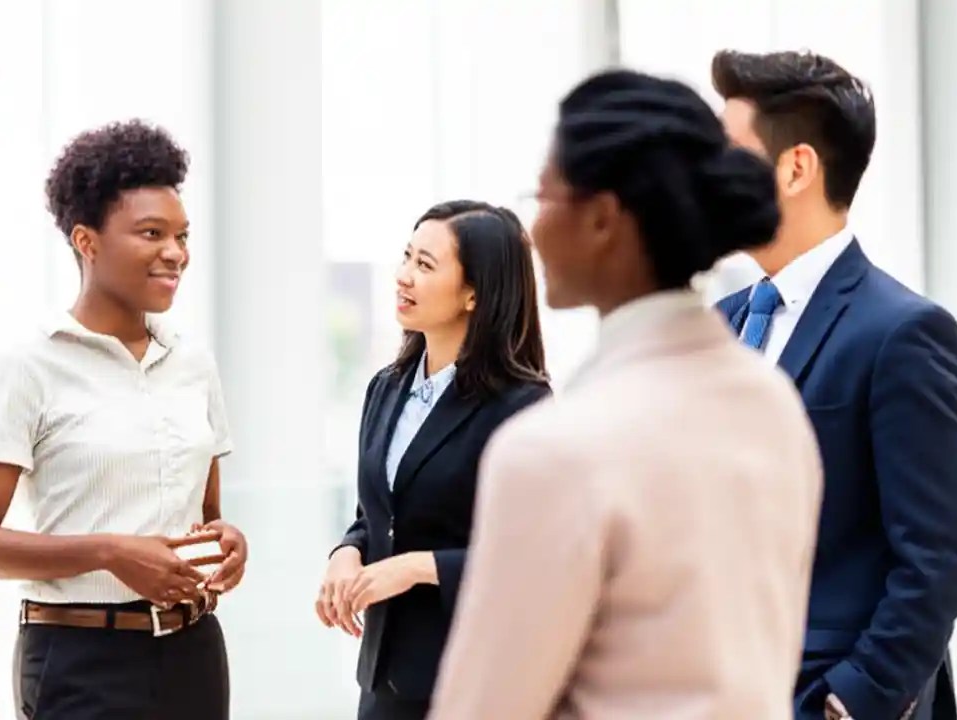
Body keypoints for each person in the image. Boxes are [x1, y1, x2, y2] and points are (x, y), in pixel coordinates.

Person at [429, 69, 824, 719]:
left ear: (603, 218)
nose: (535, 226)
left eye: (545, 194)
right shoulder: (773, 404)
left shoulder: (554, 451)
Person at [713, 50, 957, 720]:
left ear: (796, 166)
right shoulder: (720, 326)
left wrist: (852, 699)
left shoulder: (904, 333)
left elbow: (941, 555)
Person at [0, 120, 244, 720]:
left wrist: (228, 542)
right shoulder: (26, 365)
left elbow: (206, 518)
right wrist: (107, 552)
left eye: (181, 235)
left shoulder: (192, 361)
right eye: (151, 233)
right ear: (86, 241)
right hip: (80, 659)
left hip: (195, 652)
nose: (175, 252)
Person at [316, 200, 551, 719]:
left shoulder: (525, 407)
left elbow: (534, 557)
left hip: (475, 681)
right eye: (406, 257)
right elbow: (376, 514)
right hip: (384, 680)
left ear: (474, 293)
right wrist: (346, 554)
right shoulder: (387, 387)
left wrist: (418, 569)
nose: (403, 277)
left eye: (425, 265)